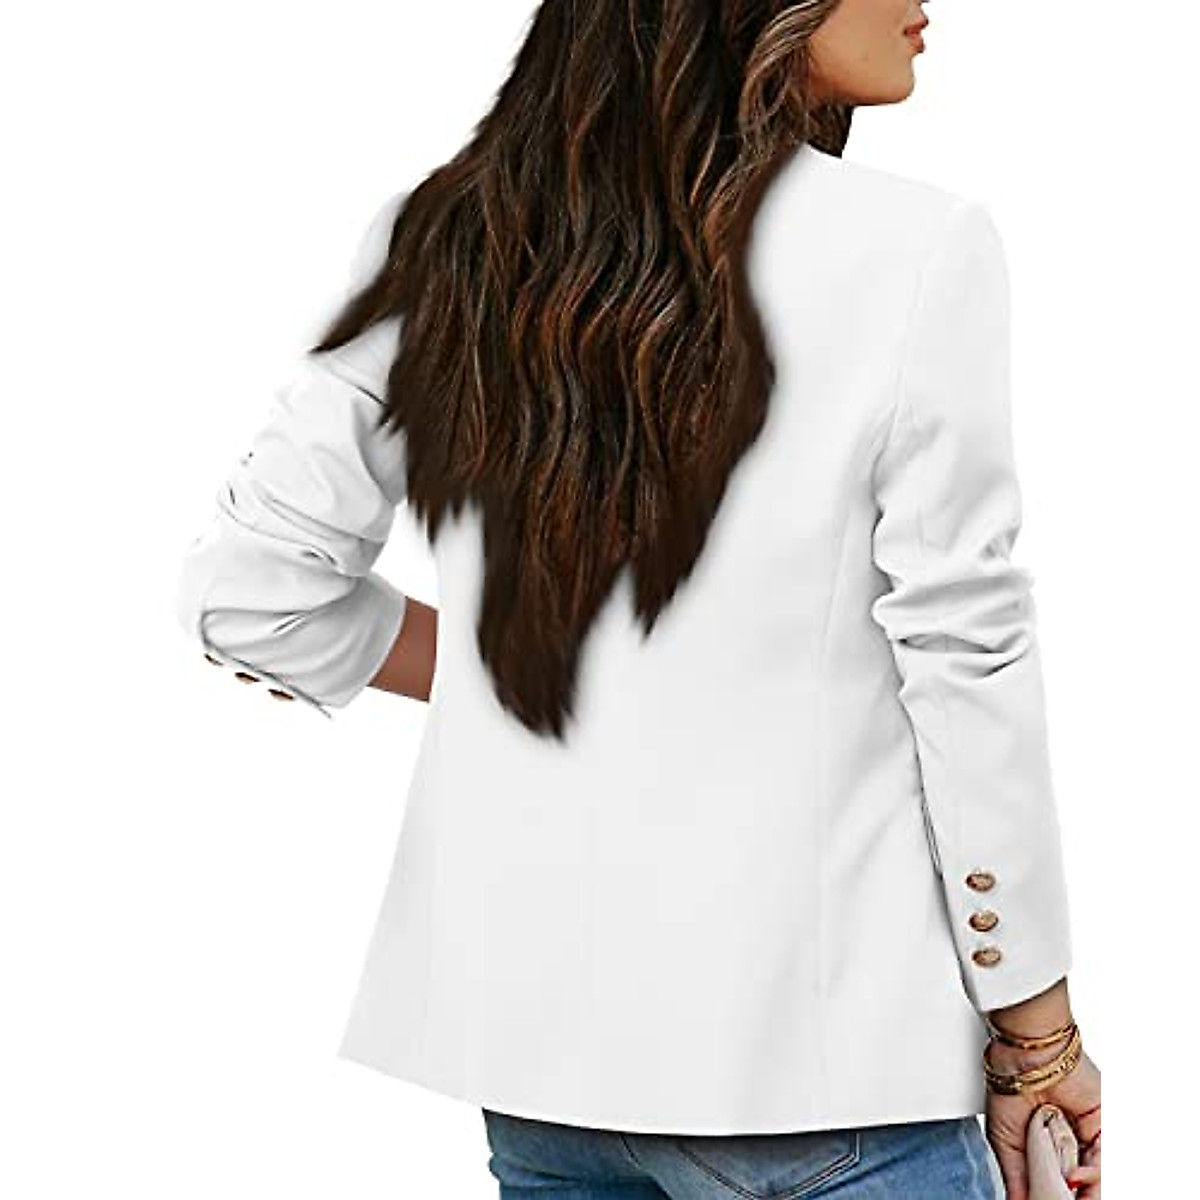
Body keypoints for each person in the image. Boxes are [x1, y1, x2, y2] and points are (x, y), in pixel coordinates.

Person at [173, 1, 1100, 1196]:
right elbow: (966, 653)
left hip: (542, 1089)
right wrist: (1038, 1038)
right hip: (825, 1095)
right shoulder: (918, 248)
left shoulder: (443, 233)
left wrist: (547, 671)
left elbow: (252, 591)